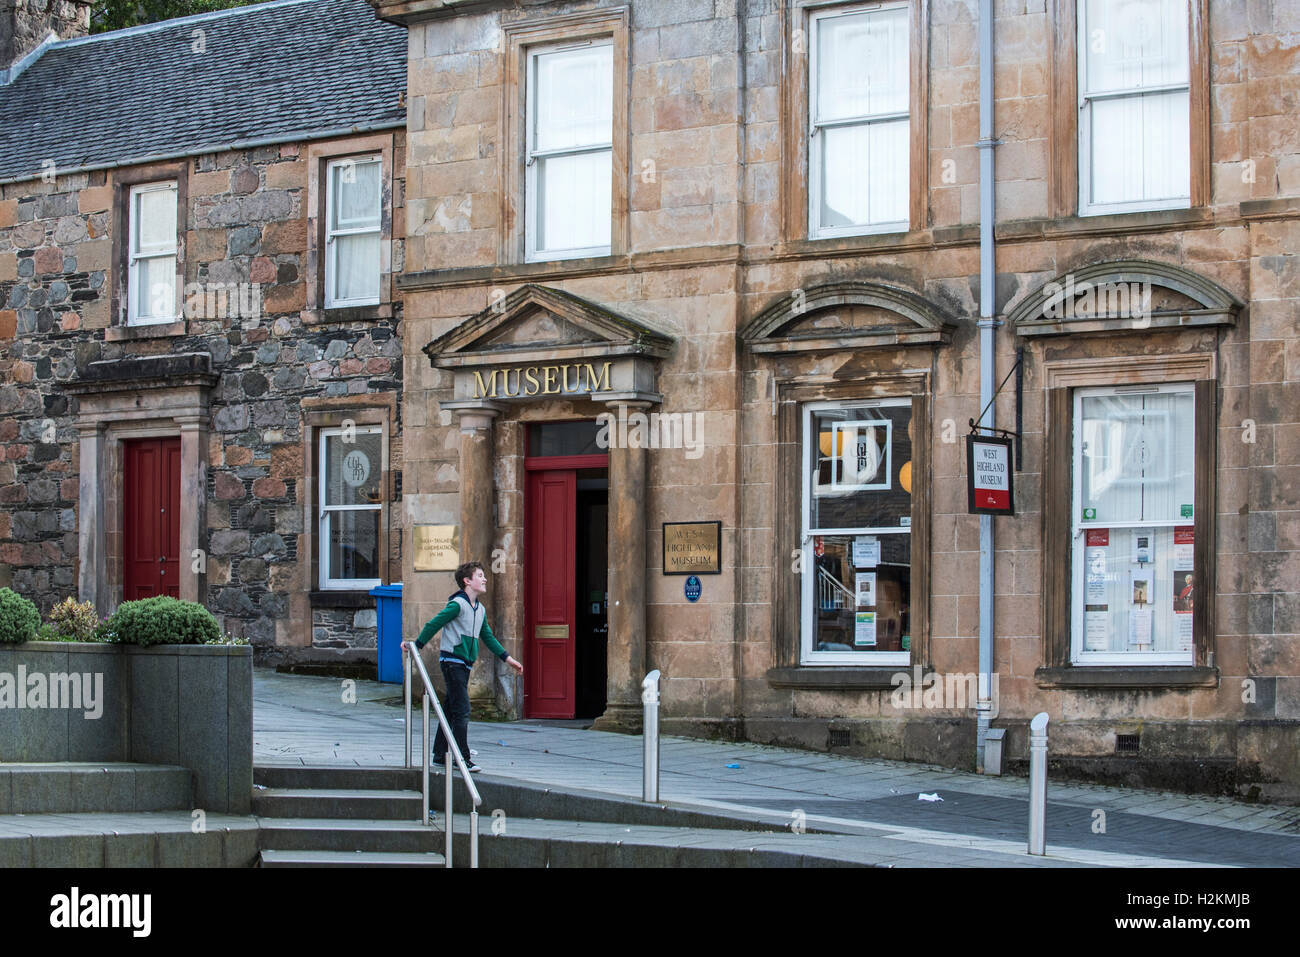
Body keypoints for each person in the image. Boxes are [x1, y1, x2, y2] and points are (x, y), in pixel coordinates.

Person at [415, 561, 523, 773]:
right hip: (452, 662)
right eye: (480, 575)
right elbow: (433, 624)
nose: (484, 579)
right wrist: (416, 645)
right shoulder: (457, 604)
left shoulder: (479, 609)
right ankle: (461, 758)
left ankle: (439, 754)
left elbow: (488, 637)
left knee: (450, 710)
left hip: (464, 664)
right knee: (462, 710)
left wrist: (507, 658)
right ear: (467, 581)